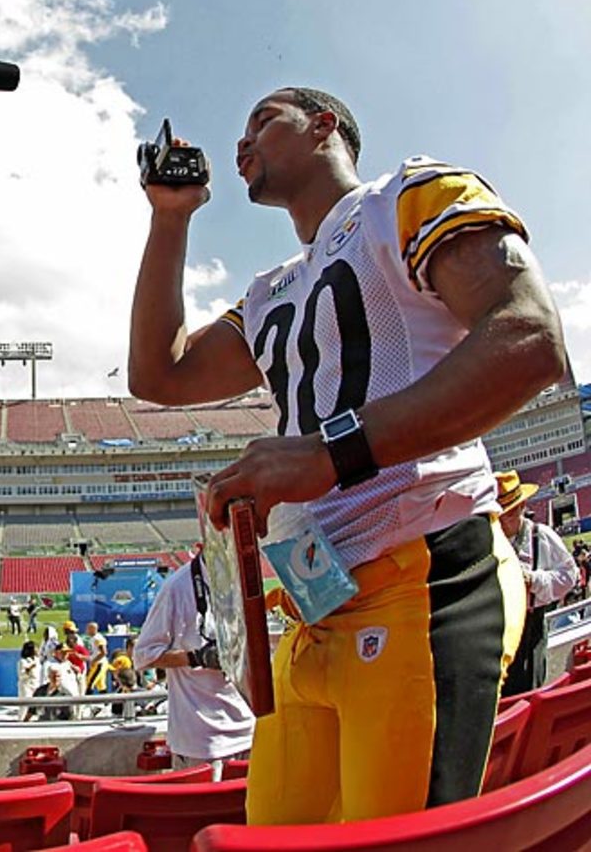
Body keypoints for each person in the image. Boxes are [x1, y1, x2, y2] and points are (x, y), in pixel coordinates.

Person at [129, 87, 564, 822]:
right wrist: (170, 219)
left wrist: (331, 453)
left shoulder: (409, 196)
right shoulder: (270, 292)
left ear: (324, 124)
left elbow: (529, 337)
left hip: (423, 565)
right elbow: (158, 373)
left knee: (392, 843)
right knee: (276, 840)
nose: (242, 143)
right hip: (315, 603)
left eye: (263, 120)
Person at [134, 558, 254, 775]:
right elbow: (143, 656)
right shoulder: (177, 587)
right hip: (202, 741)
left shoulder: (244, 574)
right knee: (211, 809)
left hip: (249, 731)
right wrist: (197, 658)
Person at [497, 471, 579, 694]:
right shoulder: (490, 542)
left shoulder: (541, 535)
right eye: (499, 516)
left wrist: (534, 580)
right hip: (498, 628)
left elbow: (569, 575)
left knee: (531, 688)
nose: (504, 523)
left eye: (510, 515)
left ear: (522, 507)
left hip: (531, 626)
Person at [17, 640, 42, 719]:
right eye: (35, 648)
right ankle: (21, 722)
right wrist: (29, 669)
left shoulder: (37, 660)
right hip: (26, 686)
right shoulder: (22, 661)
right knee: (25, 706)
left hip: (36, 685)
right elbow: (21, 675)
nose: (37, 650)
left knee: (35, 706)